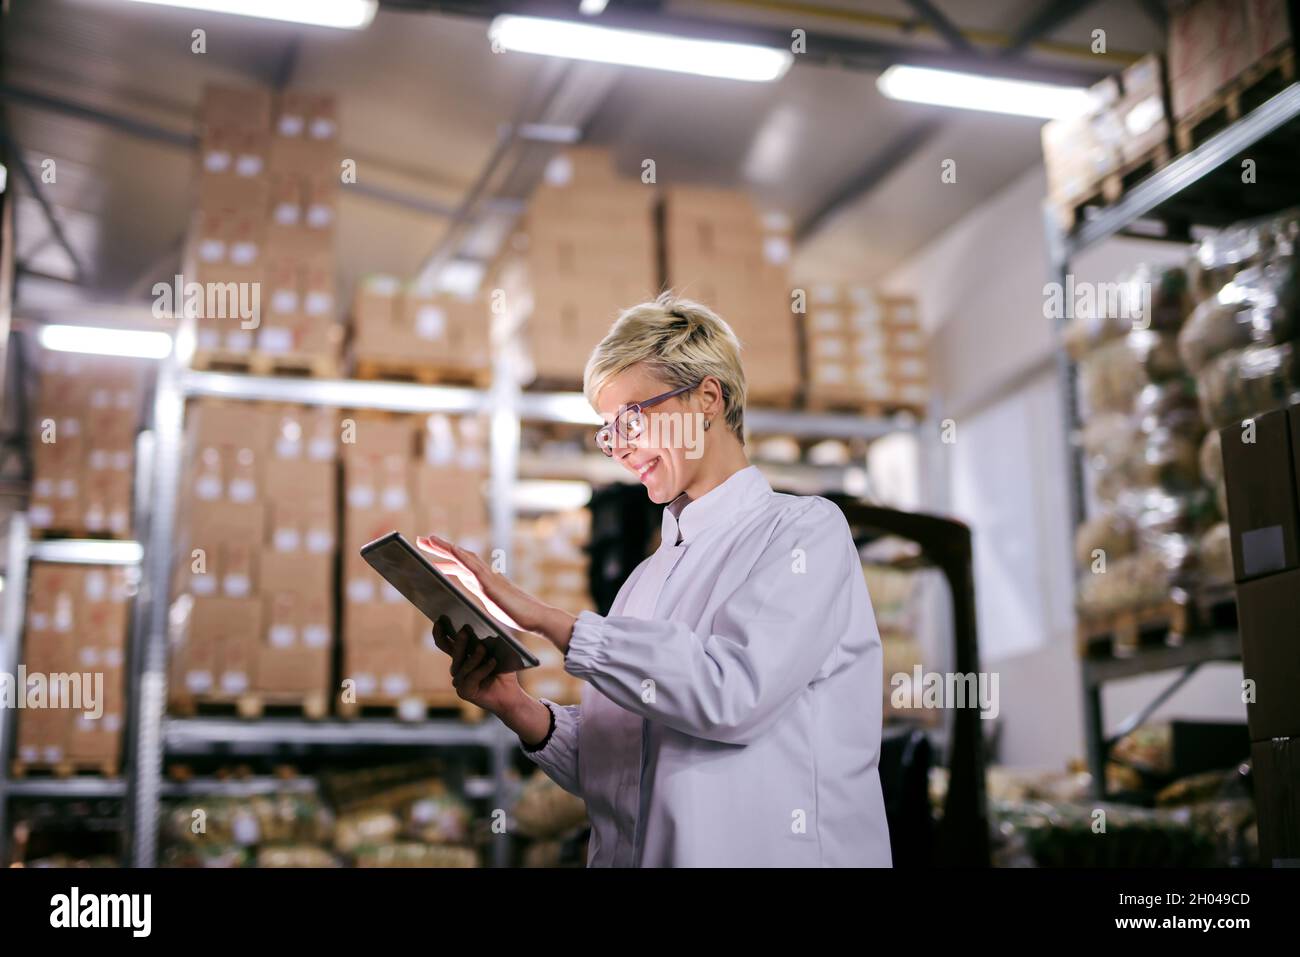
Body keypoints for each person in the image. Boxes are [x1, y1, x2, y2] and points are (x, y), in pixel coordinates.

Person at [419, 291, 892, 867]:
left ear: (707, 399)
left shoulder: (803, 533)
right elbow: (623, 769)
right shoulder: (645, 579)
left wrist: (550, 621)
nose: (619, 447)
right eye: (607, 429)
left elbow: (731, 694)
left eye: (632, 418)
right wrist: (518, 708)